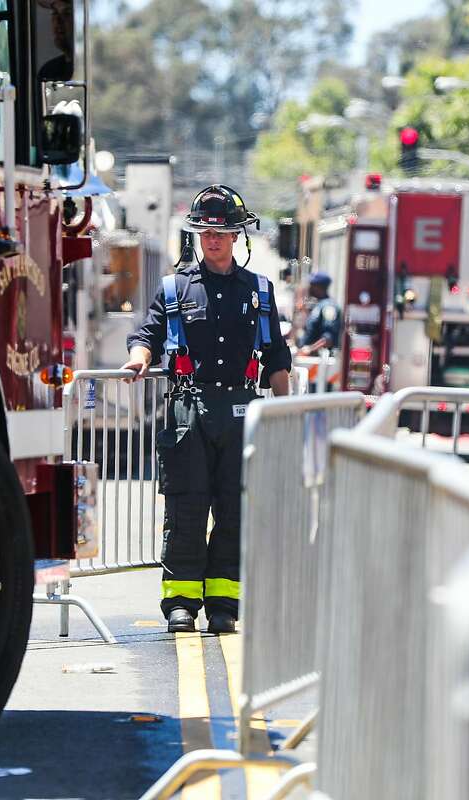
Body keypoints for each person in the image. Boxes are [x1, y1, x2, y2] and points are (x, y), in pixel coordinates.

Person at [122, 185, 291, 634]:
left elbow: (276, 357)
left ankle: (223, 604)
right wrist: (138, 359)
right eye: (204, 232)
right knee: (186, 510)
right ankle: (180, 602)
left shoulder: (260, 291)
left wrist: (286, 413)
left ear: (238, 235)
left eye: (220, 232)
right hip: (188, 411)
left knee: (235, 510)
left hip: (241, 410)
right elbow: (147, 335)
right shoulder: (175, 288)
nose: (211, 240)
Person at [296, 272, 342, 356]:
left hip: (320, 361)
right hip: (310, 359)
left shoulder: (329, 306)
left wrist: (310, 349)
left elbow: (328, 338)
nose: (309, 288)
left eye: (311, 285)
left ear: (319, 287)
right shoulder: (319, 305)